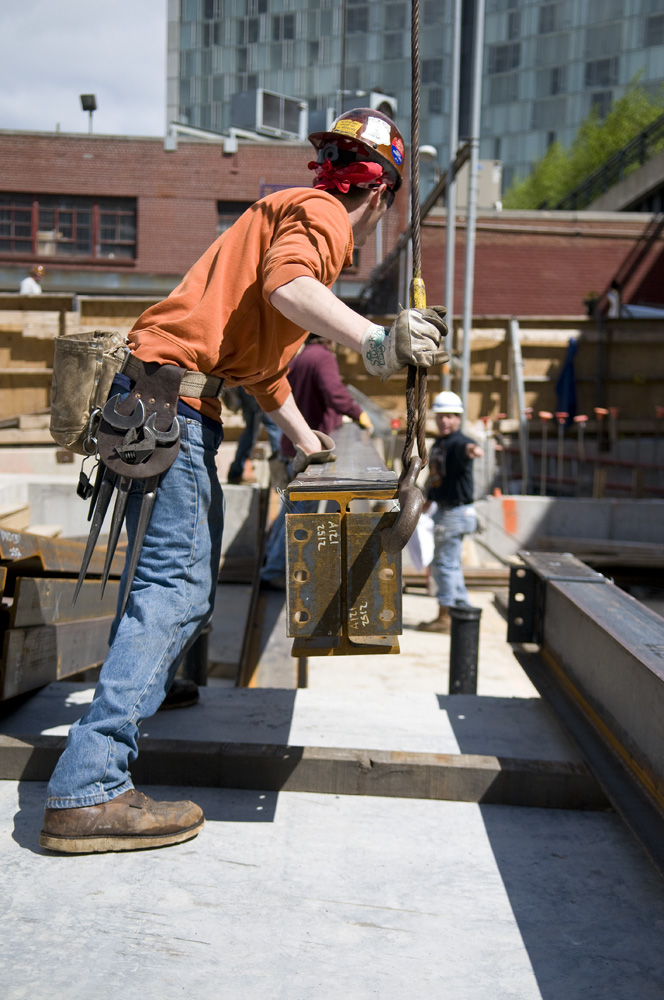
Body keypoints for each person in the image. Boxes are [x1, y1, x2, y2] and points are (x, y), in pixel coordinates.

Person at [40, 107, 448, 854]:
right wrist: (379, 341)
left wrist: (305, 441)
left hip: (159, 396)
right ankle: (91, 785)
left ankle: (149, 691)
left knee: (174, 588)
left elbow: (259, 368)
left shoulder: (284, 208)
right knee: (175, 588)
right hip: (171, 406)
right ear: (382, 195)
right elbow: (290, 284)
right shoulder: (323, 216)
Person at [260, 333, 373, 590]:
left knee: (291, 507)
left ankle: (272, 560)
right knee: (301, 510)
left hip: (296, 446)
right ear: (328, 338)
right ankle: (275, 569)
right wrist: (358, 413)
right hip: (312, 450)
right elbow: (335, 393)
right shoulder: (322, 357)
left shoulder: (299, 359)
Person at [418, 391, 483, 634]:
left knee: (443, 565)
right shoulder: (439, 444)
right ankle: (462, 610)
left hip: (455, 513)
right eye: (441, 416)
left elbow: (468, 447)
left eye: (451, 416)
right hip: (448, 511)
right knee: (450, 564)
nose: (445, 421)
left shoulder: (457, 443)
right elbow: (436, 479)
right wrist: (425, 504)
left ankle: (446, 616)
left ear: (458, 418)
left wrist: (474, 450)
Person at [227, 386, 282, 484]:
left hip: (248, 383)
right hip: (259, 383)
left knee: (252, 428)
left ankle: (236, 471)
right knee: (273, 426)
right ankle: (282, 470)